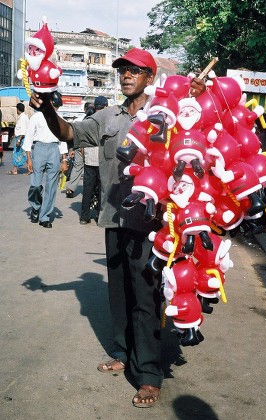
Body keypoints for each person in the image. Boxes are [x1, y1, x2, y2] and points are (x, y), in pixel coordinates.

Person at [30, 47, 206, 407]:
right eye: (122, 70)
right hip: (114, 219)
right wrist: (47, 105)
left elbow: (195, 132)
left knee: (145, 300)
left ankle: (149, 376)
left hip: (150, 226)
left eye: (135, 70)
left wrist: (196, 98)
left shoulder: (165, 113)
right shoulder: (106, 117)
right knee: (120, 297)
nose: (126, 75)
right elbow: (68, 133)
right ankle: (124, 354)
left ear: (150, 78)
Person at [23, 92, 68, 228]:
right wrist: (29, 158)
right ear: (49, 103)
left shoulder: (60, 118)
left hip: (54, 150)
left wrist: (64, 160)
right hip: (39, 148)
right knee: (35, 184)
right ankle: (36, 206)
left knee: (51, 186)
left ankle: (45, 216)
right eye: (55, 106)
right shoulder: (36, 117)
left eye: (57, 107)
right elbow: (29, 137)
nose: (56, 109)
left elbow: (63, 139)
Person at [80, 96, 108, 225]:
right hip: (103, 159)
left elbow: (82, 139)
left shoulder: (88, 120)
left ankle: (84, 216)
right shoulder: (107, 120)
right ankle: (99, 215)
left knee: (88, 188)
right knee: (102, 189)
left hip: (89, 158)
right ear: (105, 106)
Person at [65, 102, 95, 198]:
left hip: (78, 147)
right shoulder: (95, 120)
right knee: (90, 169)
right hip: (91, 148)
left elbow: (72, 136)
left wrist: (71, 149)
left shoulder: (78, 120)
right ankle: (90, 190)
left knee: (77, 167)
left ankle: (70, 188)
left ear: (84, 109)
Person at [6, 103, 29, 175]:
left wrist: (19, 140)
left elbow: (23, 130)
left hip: (21, 139)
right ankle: (17, 170)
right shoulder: (22, 117)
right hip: (19, 138)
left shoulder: (22, 118)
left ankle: (17, 170)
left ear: (18, 109)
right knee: (21, 154)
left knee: (19, 154)